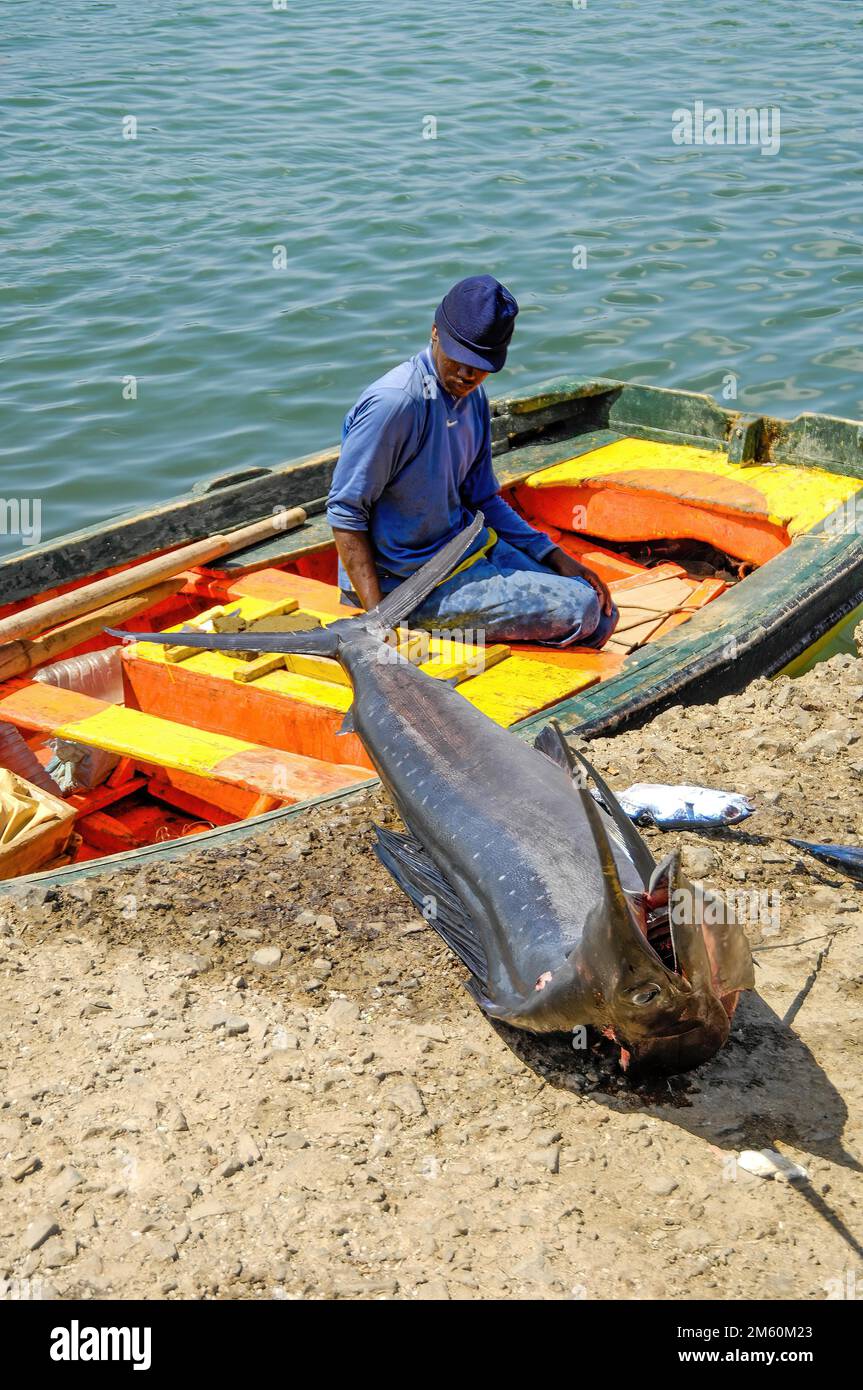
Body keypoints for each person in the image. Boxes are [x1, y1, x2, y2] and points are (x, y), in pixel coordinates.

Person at [325, 275, 618, 647]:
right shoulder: (395, 403)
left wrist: (553, 554)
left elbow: (482, 499)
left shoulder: (473, 399)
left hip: (464, 547)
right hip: (407, 582)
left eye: (481, 365)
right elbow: (345, 512)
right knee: (581, 609)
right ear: (434, 332)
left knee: (601, 609)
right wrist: (379, 619)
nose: (468, 374)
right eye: (460, 359)